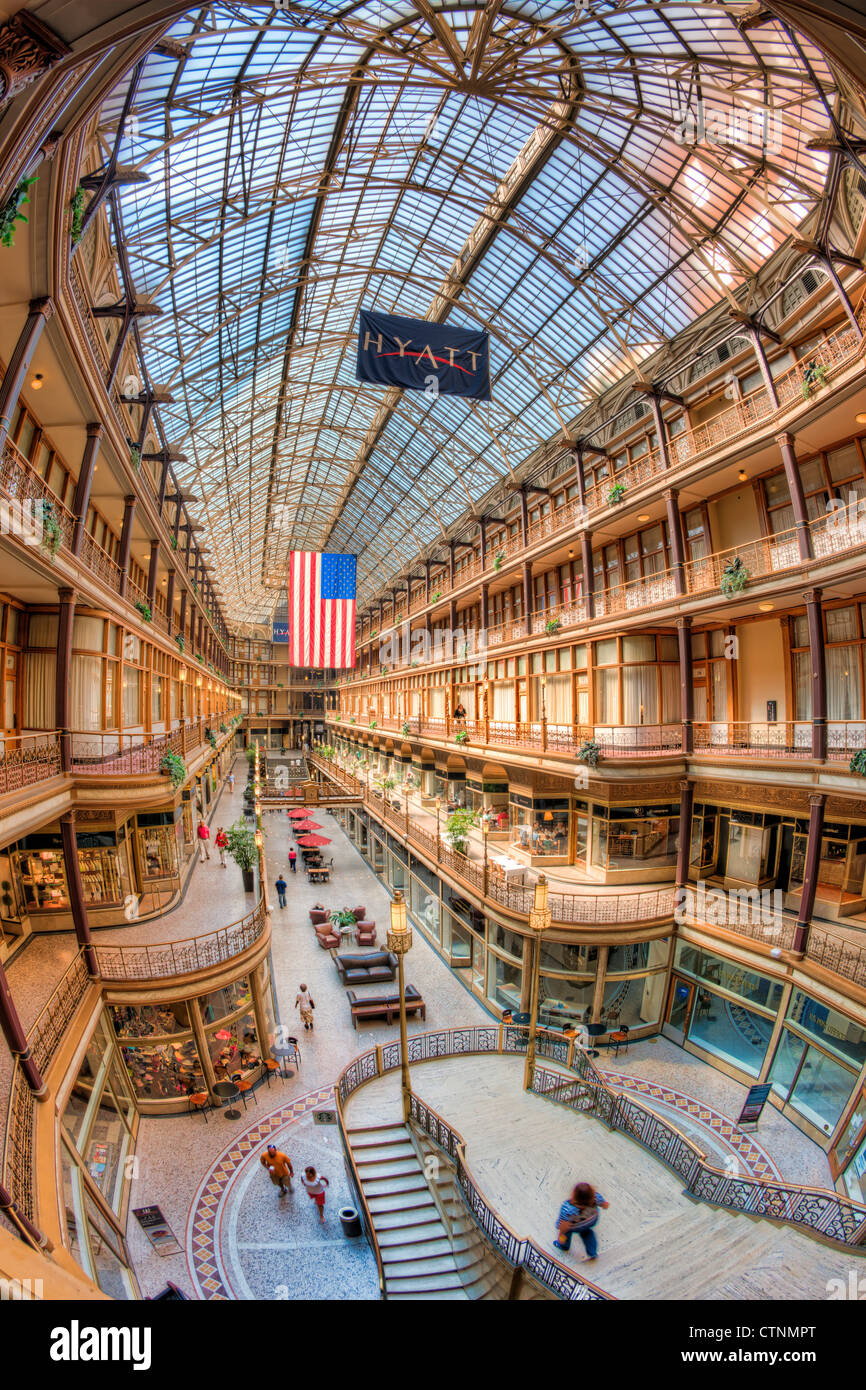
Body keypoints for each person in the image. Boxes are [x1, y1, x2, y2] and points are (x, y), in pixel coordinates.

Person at [554, 1182, 609, 1260]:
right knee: (587, 1233)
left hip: (574, 1226)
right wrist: (605, 1205)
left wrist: (561, 1235)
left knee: (567, 1233)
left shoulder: (568, 1208)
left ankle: (563, 1246)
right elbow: (605, 1205)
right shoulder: (595, 1197)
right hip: (590, 1221)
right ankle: (592, 1252)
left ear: (574, 1195)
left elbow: (564, 1225)